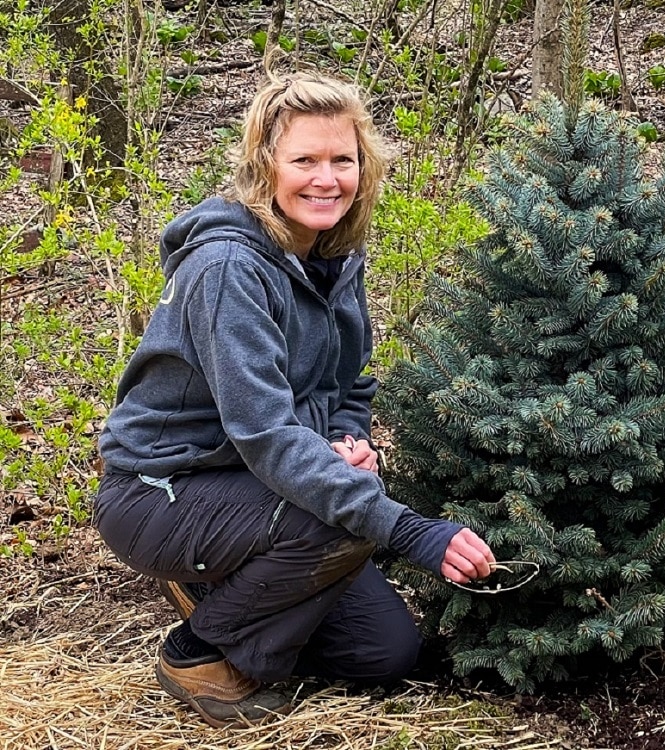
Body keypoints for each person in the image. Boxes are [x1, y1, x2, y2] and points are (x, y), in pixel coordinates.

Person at [93, 69, 496, 729]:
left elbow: (350, 384)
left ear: (364, 168)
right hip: (161, 491)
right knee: (341, 517)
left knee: (382, 653)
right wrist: (411, 531)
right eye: (303, 159)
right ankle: (197, 653)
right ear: (265, 168)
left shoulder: (335, 257)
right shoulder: (228, 269)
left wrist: (345, 437)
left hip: (258, 489)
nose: (325, 178)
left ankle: (222, 584)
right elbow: (266, 435)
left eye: (342, 160)